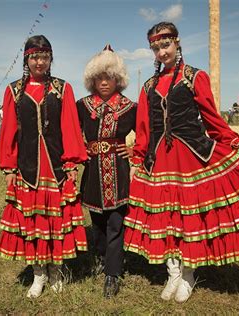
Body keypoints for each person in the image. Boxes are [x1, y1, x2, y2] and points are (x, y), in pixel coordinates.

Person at [123, 22, 239, 303]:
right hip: (158, 160)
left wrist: (235, 143)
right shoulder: (148, 86)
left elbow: (212, 118)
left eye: (166, 45)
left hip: (191, 156)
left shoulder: (195, 77)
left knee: (188, 216)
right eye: (156, 48)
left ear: (178, 43)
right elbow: (144, 128)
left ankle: (189, 274)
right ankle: (172, 271)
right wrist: (137, 158)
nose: (162, 52)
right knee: (164, 217)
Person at [0, 35, 88, 298]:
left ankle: (56, 271)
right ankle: (38, 275)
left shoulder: (62, 89)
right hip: (27, 168)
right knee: (33, 223)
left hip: (56, 166)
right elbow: (9, 132)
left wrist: (71, 162)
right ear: (27, 59)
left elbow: (70, 127)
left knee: (55, 221)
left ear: (50, 59)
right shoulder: (14, 90)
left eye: (45, 57)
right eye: (35, 57)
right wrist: (9, 167)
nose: (40, 62)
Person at [76, 45, 136, 298]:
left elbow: (147, 133)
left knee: (115, 222)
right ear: (92, 79)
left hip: (118, 170)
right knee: (97, 221)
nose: (104, 82)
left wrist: (136, 151)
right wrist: (78, 151)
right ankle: (101, 256)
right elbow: (69, 133)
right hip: (91, 172)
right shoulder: (82, 106)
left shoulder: (130, 107)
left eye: (109, 77)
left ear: (118, 79)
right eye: (99, 77)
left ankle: (112, 273)